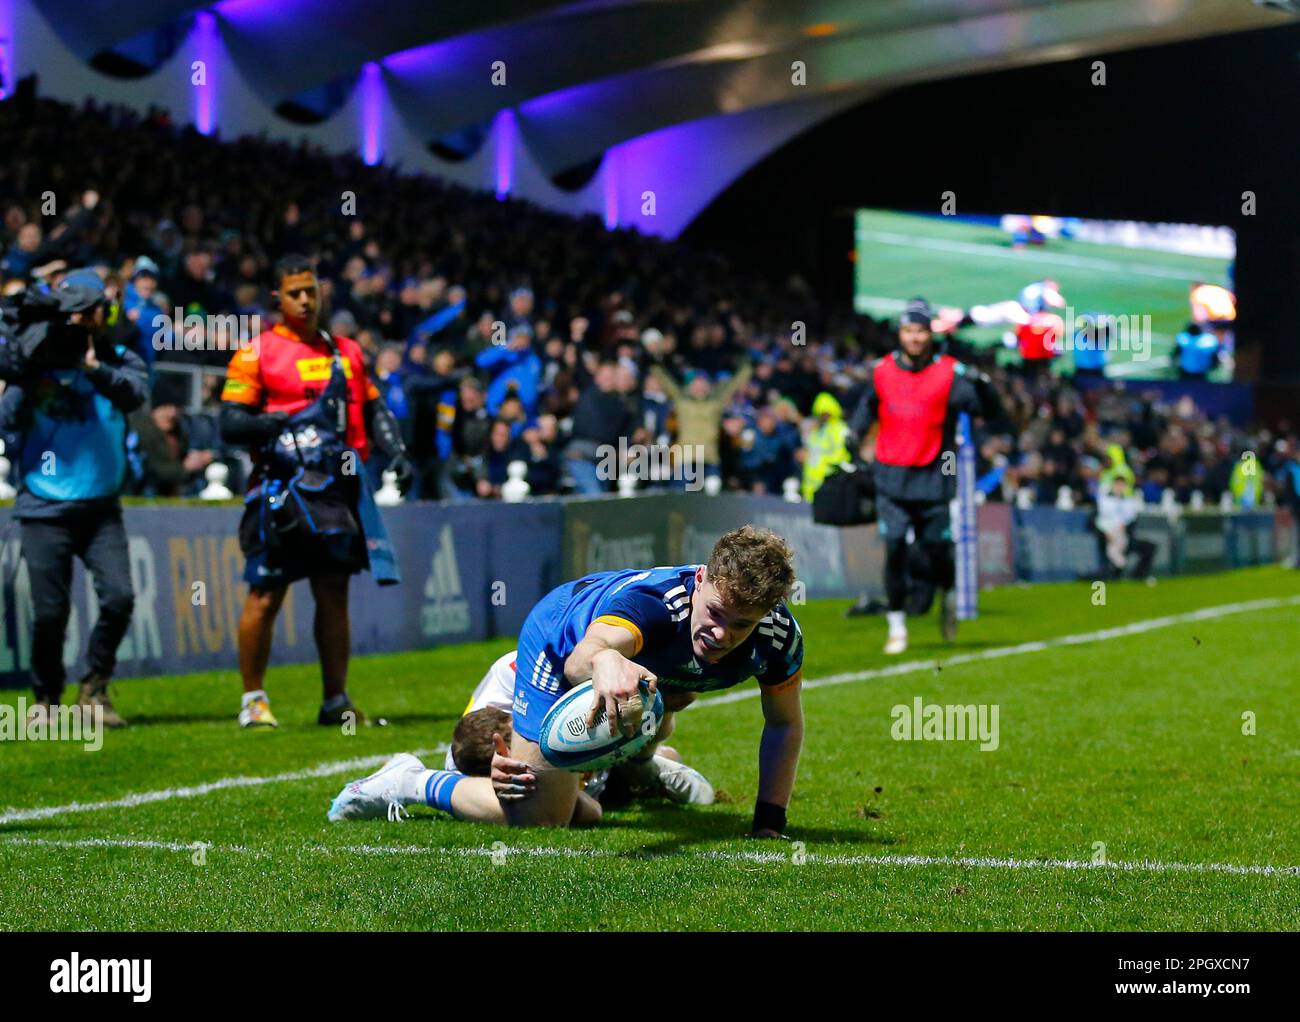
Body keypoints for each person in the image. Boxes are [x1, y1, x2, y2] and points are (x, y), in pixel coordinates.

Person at [465, 525, 805, 834]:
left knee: (675, 691)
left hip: (648, 667)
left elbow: (784, 724)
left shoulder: (779, 639)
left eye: (741, 624)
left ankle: (637, 767)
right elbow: (579, 661)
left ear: (766, 613)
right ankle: (416, 780)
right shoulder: (654, 605)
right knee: (543, 817)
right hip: (558, 642)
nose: (720, 633)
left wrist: (769, 822)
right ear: (700, 579)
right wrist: (606, 657)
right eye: (715, 612)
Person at [219, 255, 413, 729]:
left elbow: (373, 408)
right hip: (279, 492)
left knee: (333, 594)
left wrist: (397, 452)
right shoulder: (256, 352)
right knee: (265, 594)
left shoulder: (346, 351)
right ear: (277, 300)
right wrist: (277, 423)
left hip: (334, 493)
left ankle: (335, 701)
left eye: (311, 291)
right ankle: (253, 699)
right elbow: (229, 421)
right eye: (294, 293)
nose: (305, 300)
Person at [326, 650, 713, 825]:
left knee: (655, 699)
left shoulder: (547, 672)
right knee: (554, 815)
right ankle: (413, 781)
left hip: (573, 747)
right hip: (481, 772)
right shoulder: (497, 718)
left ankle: (641, 767)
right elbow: (588, 812)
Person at [0, 269, 148, 726]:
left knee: (120, 597)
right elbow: (6, 423)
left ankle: (95, 687)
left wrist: (92, 368)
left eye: (90, 314)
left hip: (101, 508)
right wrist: (31, 375)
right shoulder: (34, 363)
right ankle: (45, 700)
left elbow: (136, 395)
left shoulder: (120, 358)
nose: (83, 323)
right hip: (44, 506)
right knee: (49, 612)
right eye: (74, 316)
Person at [848, 298, 992, 655]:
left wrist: (984, 387)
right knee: (894, 547)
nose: (914, 338)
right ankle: (896, 626)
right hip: (891, 477)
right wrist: (853, 434)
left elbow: (979, 407)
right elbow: (868, 406)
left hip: (933, 478)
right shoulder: (882, 371)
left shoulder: (948, 372)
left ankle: (948, 590)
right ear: (901, 334)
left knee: (936, 550)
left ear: (930, 334)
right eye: (908, 330)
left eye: (921, 331)